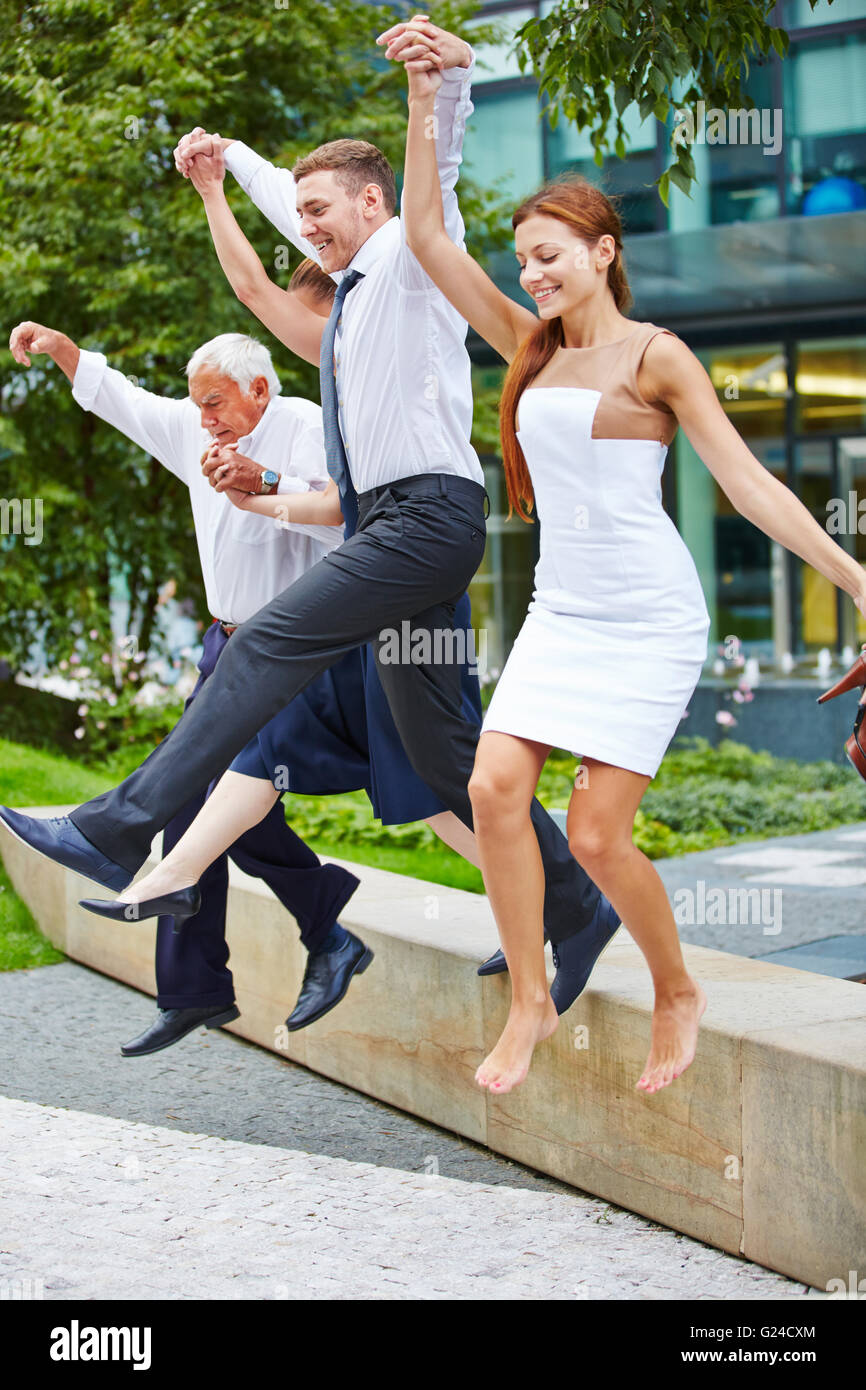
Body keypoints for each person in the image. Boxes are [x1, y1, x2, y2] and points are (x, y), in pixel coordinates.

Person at [1, 17, 620, 1025]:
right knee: (436, 756)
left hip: (420, 517)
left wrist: (442, 83)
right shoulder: (353, 299)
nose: (310, 229)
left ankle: (117, 827)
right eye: (302, 215)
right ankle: (574, 905)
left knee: (268, 644)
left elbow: (438, 173)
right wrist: (224, 164)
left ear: (374, 202)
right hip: (399, 522)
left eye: (322, 210)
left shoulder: (416, 256)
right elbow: (258, 269)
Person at [396, 48, 866, 1097]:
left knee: (600, 836)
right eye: (522, 257)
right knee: (492, 786)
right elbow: (427, 237)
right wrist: (428, 97)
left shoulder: (656, 355)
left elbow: (745, 486)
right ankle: (529, 993)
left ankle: (675, 987)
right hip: (561, 611)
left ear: (603, 253)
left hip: (648, 616)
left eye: (551, 254)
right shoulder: (528, 349)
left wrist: (853, 576)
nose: (532, 273)